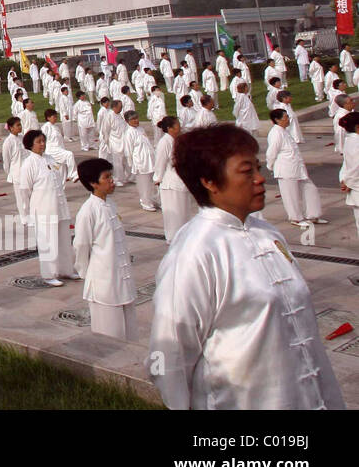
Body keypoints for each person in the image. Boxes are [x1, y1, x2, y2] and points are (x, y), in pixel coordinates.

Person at [148, 124, 345, 409]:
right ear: (210, 182)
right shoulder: (196, 251)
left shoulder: (268, 234)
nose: (260, 179)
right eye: (246, 171)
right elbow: (169, 352)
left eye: (258, 168)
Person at [73, 158, 137, 340]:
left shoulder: (110, 204)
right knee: (110, 336)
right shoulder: (88, 211)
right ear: (93, 183)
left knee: (129, 334)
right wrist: (88, 276)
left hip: (121, 278)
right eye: (106, 177)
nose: (111, 181)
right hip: (103, 283)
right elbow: (81, 246)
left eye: (111, 176)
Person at [21, 130, 74, 286]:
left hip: (59, 205)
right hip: (43, 208)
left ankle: (66, 269)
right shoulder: (29, 164)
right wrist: (27, 213)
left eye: (43, 141)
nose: (42, 144)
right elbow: (25, 191)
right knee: (48, 242)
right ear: (30, 145)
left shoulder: (50, 159)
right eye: (39, 142)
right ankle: (49, 274)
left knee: (64, 239)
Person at [265, 109, 324, 228]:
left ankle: (313, 215)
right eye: (285, 117)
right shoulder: (276, 133)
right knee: (290, 195)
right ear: (277, 120)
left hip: (297, 167)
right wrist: (270, 166)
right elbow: (271, 152)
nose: (288, 120)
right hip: (286, 169)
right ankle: (296, 218)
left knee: (310, 189)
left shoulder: (284, 131)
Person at [154, 116, 193, 242]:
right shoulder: (164, 142)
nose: (180, 128)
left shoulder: (177, 140)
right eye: (177, 126)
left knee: (183, 211)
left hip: (181, 181)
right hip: (170, 183)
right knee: (174, 213)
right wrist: (158, 178)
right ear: (169, 129)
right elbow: (160, 162)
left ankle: (184, 235)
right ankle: (173, 238)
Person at [122, 110, 159, 211]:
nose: (136, 120)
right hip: (140, 162)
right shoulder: (129, 133)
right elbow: (128, 151)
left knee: (153, 182)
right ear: (127, 121)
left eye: (136, 118)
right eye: (133, 119)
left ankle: (154, 200)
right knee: (145, 184)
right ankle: (146, 202)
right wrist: (132, 164)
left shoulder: (141, 129)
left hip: (150, 159)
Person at [340, 111, 359, 238]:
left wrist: (344, 180)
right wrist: (348, 183)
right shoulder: (356, 142)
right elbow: (355, 166)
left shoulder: (349, 140)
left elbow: (346, 165)